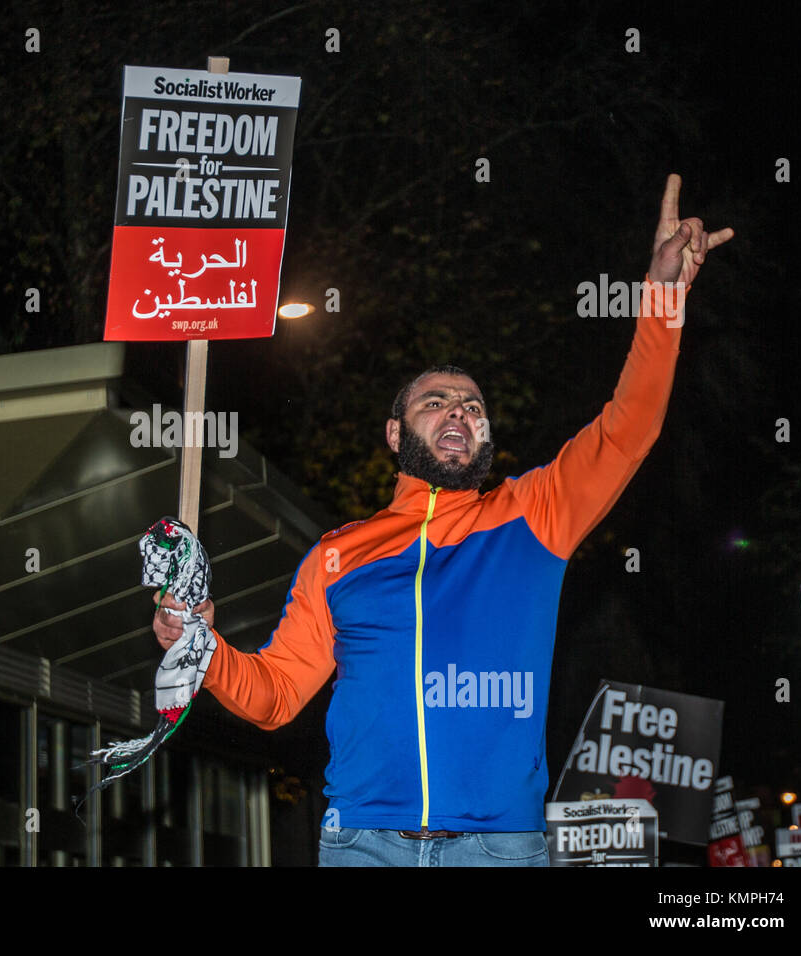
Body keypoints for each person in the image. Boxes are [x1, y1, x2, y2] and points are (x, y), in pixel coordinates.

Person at [153, 174, 733, 866]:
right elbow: (275, 696)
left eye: (472, 404)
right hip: (363, 843)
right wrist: (204, 652)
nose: (459, 409)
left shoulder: (537, 515)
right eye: (435, 402)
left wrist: (664, 296)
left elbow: (629, 428)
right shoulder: (338, 556)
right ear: (395, 435)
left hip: (499, 847)